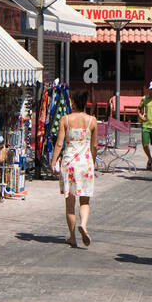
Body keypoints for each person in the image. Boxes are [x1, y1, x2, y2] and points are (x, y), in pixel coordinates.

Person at [57, 90, 97, 247]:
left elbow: (60, 143)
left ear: (72, 102)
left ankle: (72, 236)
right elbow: (94, 145)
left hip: (69, 164)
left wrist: (53, 160)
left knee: (70, 203)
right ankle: (84, 225)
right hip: (85, 163)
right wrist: (92, 162)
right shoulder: (91, 121)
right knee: (85, 200)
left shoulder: (65, 120)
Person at [138, 81, 152, 172]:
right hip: (146, 125)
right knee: (145, 145)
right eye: (151, 89)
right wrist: (140, 116)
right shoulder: (144, 98)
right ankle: (149, 158)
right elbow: (138, 109)